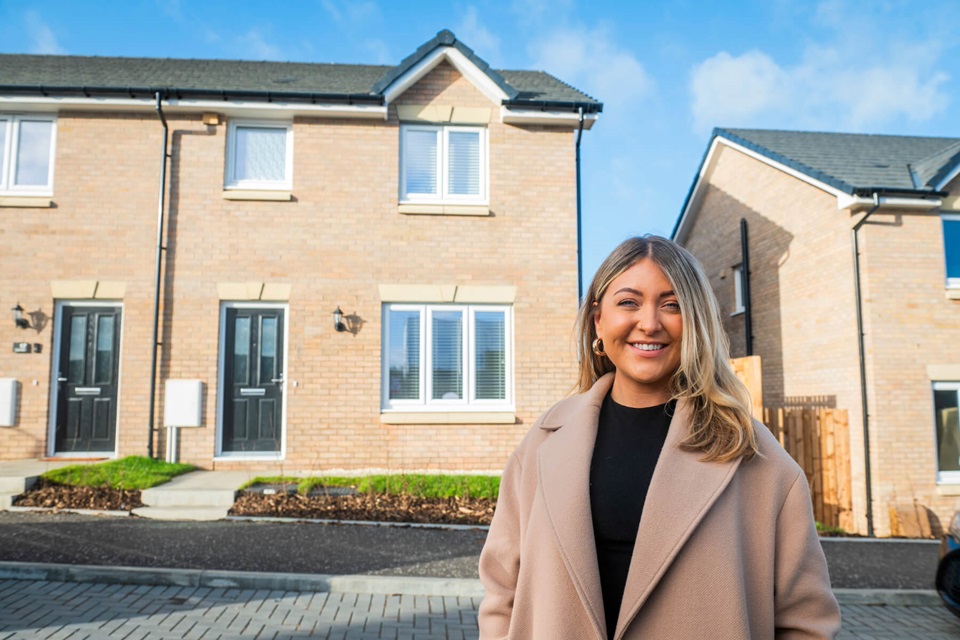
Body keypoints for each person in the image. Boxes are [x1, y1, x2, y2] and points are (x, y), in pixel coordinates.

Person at [478, 236, 841, 639]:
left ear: (696, 322)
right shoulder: (543, 444)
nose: (649, 323)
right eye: (629, 302)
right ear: (598, 320)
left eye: (672, 305)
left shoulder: (755, 457)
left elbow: (805, 621)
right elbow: (502, 591)